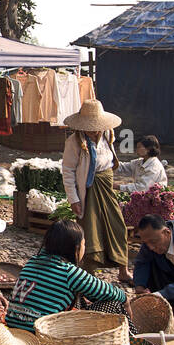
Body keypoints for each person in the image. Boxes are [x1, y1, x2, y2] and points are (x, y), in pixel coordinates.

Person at [4, 219, 127, 334]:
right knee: (115, 304)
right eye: (84, 244)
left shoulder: (32, 262)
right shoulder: (69, 272)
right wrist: (126, 300)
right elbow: (110, 292)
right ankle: (132, 340)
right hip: (38, 333)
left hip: (13, 327)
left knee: (78, 297)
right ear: (76, 247)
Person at [62, 98, 133, 284]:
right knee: (90, 230)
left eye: (96, 127)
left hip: (106, 185)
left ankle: (123, 270)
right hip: (88, 189)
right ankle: (89, 276)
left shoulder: (108, 134)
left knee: (118, 226)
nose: (94, 131)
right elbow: (68, 171)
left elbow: (109, 160)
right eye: (90, 127)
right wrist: (74, 199)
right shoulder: (74, 141)